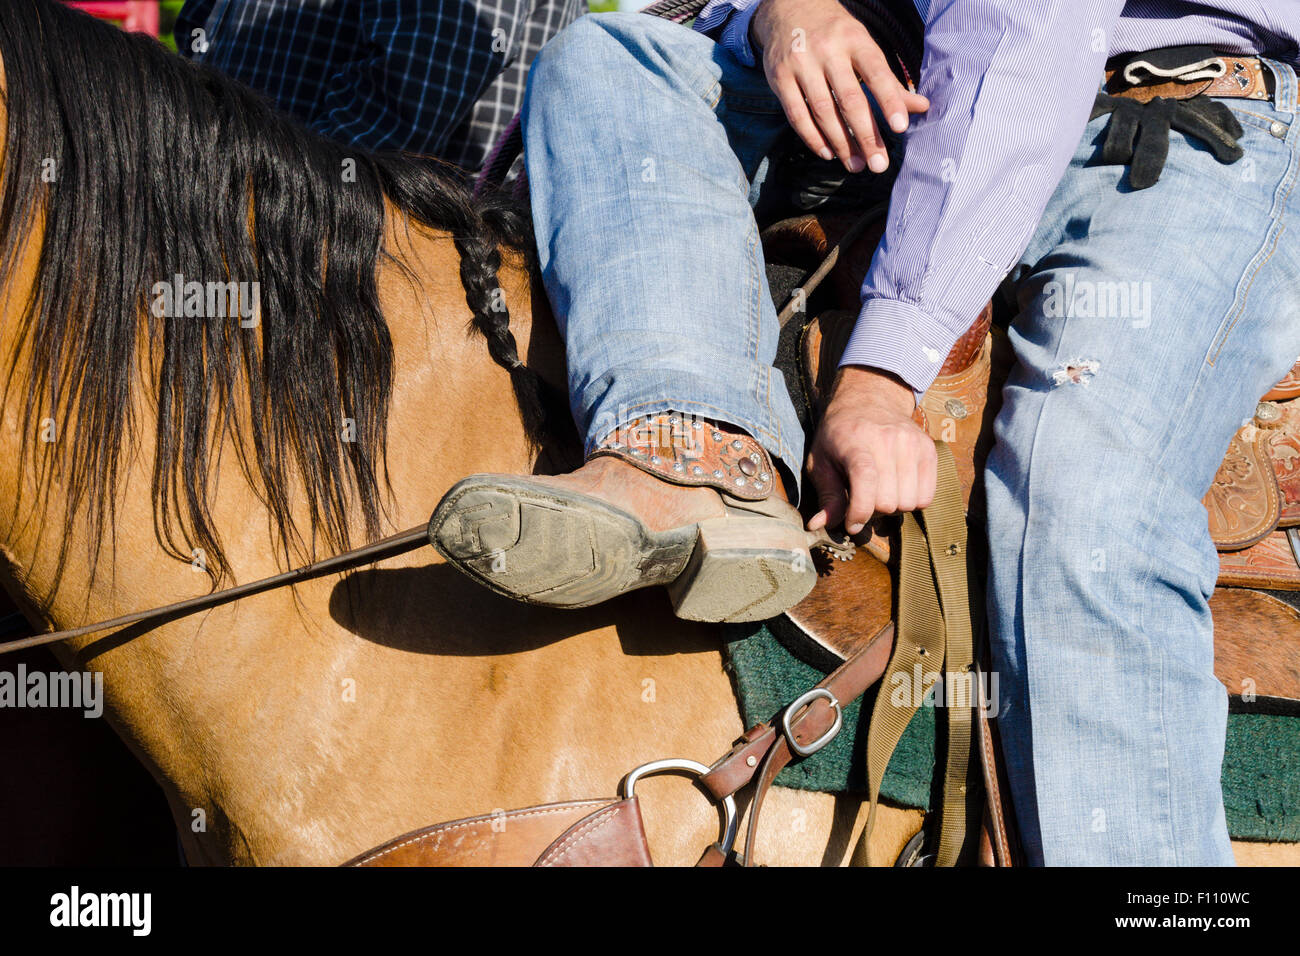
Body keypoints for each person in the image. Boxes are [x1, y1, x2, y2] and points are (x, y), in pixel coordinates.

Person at [429, 0, 1300, 865]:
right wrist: (784, 14)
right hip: (912, 92)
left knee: (1087, 504)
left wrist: (881, 378)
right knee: (614, 56)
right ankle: (692, 453)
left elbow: (1023, 31)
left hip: (1180, 125)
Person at [174, 0, 583, 172]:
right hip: (251, 206)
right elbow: (198, 24)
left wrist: (275, 197)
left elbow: (424, 73)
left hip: (363, 265)